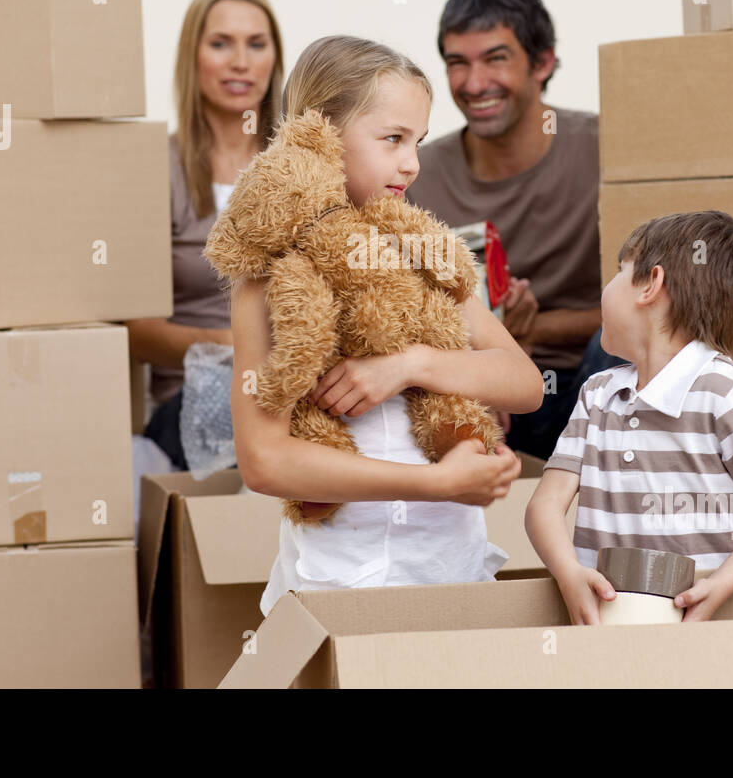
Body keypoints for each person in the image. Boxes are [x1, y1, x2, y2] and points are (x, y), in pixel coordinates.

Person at [224, 35, 544, 616]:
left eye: (417, 141)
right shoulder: (268, 279)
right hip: (340, 584)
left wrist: (408, 365)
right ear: (320, 136)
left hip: (448, 570)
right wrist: (438, 485)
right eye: (392, 139)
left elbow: (524, 384)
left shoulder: (422, 254)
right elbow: (264, 460)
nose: (412, 162)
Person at [525, 211, 733, 625]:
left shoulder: (724, 392)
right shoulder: (597, 395)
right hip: (609, 628)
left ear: (650, 284)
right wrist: (568, 573)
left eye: (619, 272)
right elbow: (544, 506)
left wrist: (722, 585)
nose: (608, 286)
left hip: (702, 632)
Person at [404, 0, 626, 462]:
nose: (475, 83)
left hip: (586, 386)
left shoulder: (606, 151)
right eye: (457, 64)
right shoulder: (417, 173)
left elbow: (659, 300)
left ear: (542, 62)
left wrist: (533, 329)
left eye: (495, 59)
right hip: (478, 393)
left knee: (628, 344)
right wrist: (490, 341)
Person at [126, 0, 284, 468]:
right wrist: (239, 349)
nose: (241, 62)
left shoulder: (303, 168)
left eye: (256, 45)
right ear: (192, 57)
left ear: (274, 59)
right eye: (221, 44)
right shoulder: (154, 167)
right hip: (194, 398)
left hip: (300, 382)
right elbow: (135, 331)